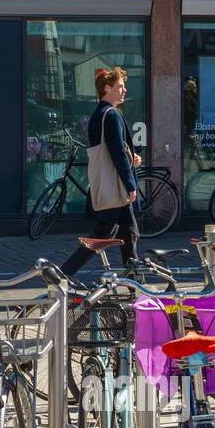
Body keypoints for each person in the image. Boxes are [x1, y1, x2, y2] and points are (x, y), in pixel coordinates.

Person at [59, 66, 141, 277]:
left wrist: (132, 158)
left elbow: (114, 151)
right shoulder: (111, 115)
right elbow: (116, 153)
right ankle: (63, 273)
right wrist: (131, 184)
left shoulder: (99, 114)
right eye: (120, 86)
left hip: (109, 185)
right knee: (115, 233)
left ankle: (134, 285)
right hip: (116, 187)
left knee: (123, 233)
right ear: (107, 88)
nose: (124, 91)